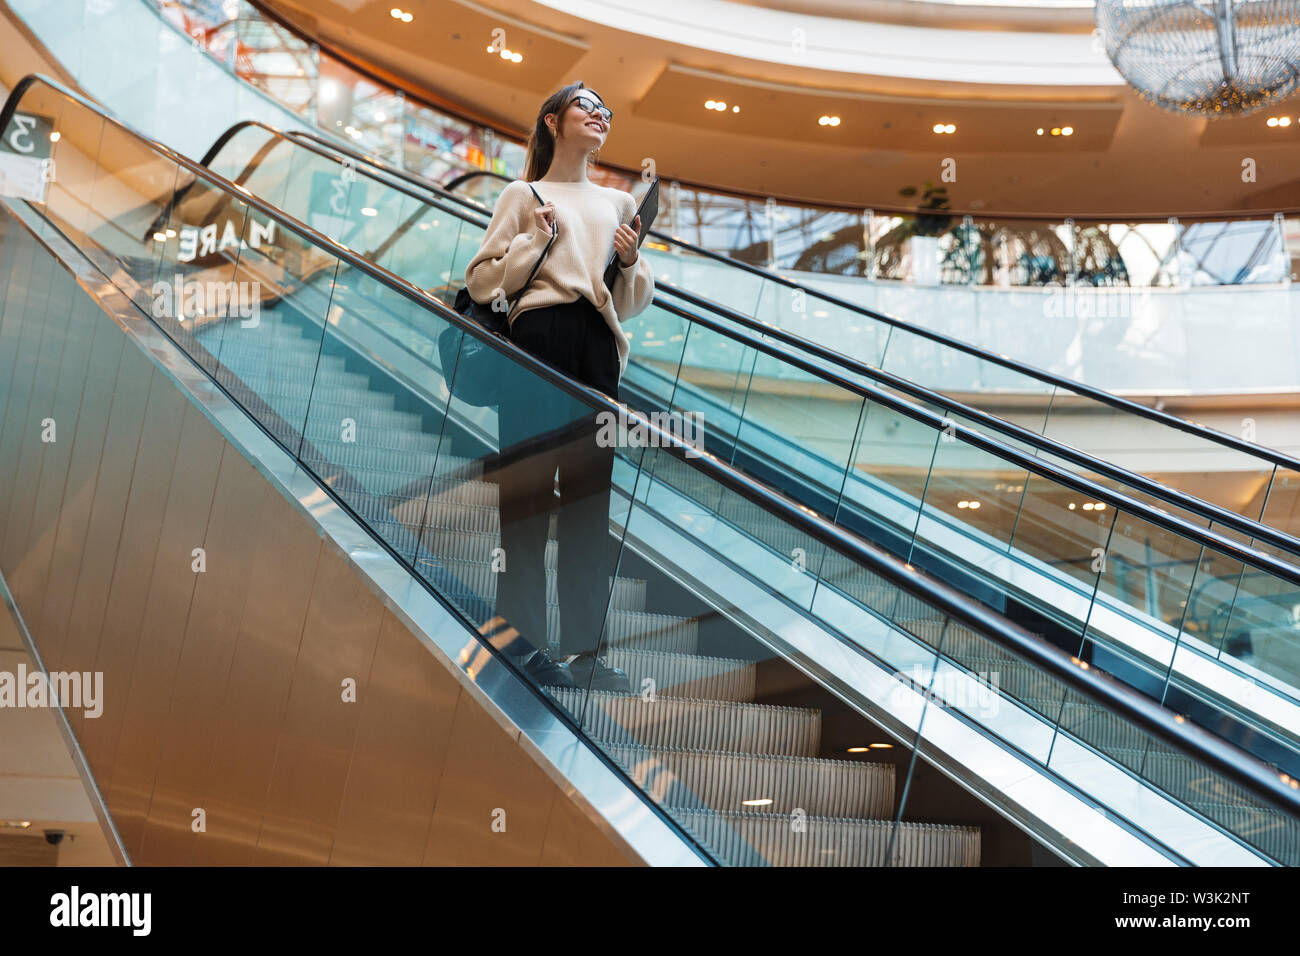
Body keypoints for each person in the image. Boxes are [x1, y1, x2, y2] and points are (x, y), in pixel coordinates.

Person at [464, 82, 655, 692]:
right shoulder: (525, 193)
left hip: (596, 349)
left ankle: (586, 652)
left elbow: (630, 302)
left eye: (607, 110)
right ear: (552, 121)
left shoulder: (620, 204)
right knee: (524, 495)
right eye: (587, 106)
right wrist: (534, 240)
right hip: (536, 339)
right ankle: (520, 643)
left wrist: (628, 262)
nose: (601, 115)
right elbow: (482, 283)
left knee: (587, 501)